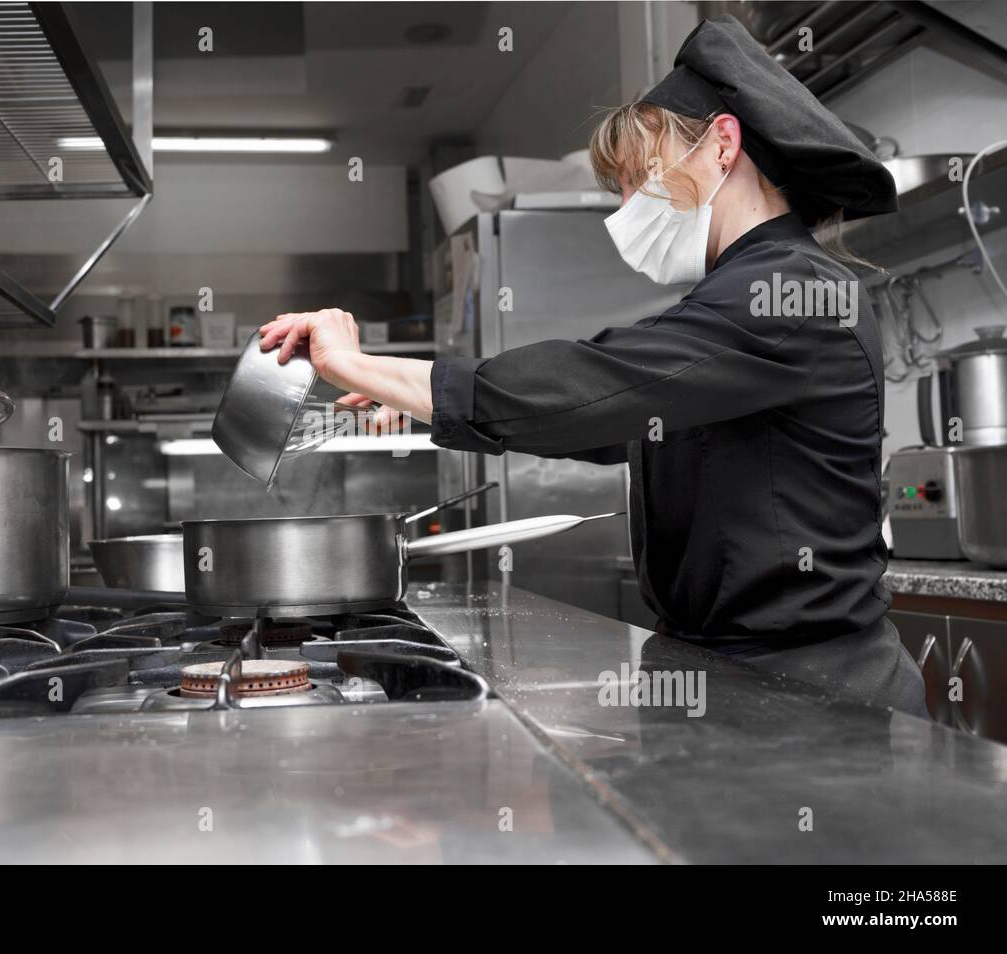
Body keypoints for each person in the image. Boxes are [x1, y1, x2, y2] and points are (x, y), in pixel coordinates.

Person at [257, 16, 927, 717]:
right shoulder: (736, 292)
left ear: (722, 146)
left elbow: (592, 388)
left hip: (816, 696)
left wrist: (359, 363)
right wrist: (412, 396)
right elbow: (610, 420)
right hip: (748, 676)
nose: (627, 208)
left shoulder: (786, 294)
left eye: (640, 179)